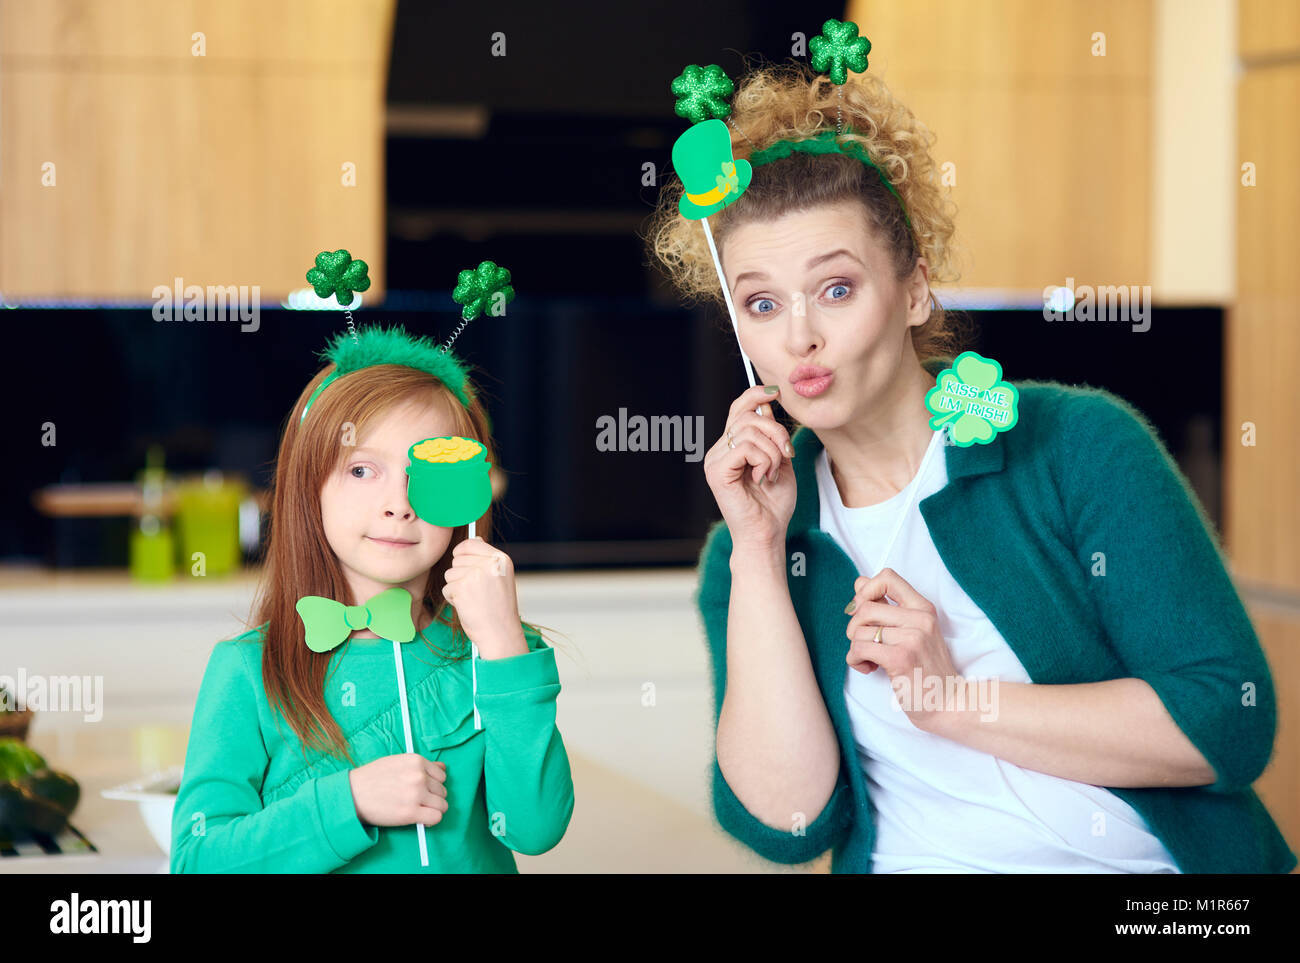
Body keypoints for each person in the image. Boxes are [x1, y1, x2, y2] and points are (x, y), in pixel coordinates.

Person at [647, 61, 1295, 873]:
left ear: (915, 288)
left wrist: (954, 703)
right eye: (763, 303)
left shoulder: (1077, 445)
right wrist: (757, 556)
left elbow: (1226, 721)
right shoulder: (751, 551)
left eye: (837, 288)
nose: (799, 337)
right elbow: (788, 825)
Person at [170, 325, 574, 872]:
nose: (398, 505)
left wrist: (504, 644)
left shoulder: (497, 652)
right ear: (308, 488)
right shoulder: (248, 670)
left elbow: (535, 828)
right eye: (362, 470)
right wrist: (350, 802)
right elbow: (198, 861)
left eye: (426, 475)